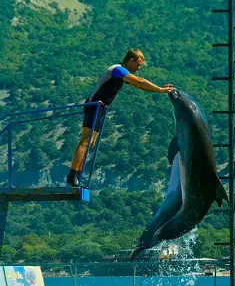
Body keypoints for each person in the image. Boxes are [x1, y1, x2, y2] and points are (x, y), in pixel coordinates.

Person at [67, 48, 174, 187]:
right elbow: (139, 82)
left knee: (91, 143)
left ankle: (78, 174)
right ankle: (72, 175)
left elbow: (140, 86)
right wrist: (160, 90)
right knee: (86, 140)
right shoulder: (117, 69)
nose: (139, 68)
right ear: (131, 60)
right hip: (94, 105)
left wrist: (158, 88)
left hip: (101, 108)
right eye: (138, 65)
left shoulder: (123, 72)